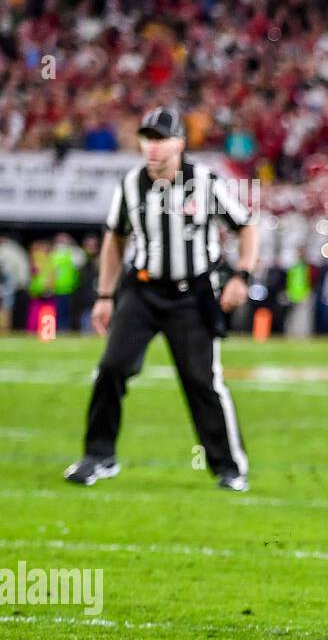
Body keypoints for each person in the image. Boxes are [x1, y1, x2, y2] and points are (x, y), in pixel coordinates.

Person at [64, 106, 257, 489]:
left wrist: (242, 275)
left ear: (180, 143)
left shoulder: (205, 181)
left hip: (192, 294)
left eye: (160, 139)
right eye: (147, 139)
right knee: (111, 368)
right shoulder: (131, 184)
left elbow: (246, 225)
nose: (152, 147)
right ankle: (98, 456)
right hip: (143, 291)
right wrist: (104, 295)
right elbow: (114, 238)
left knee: (201, 381)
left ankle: (228, 467)